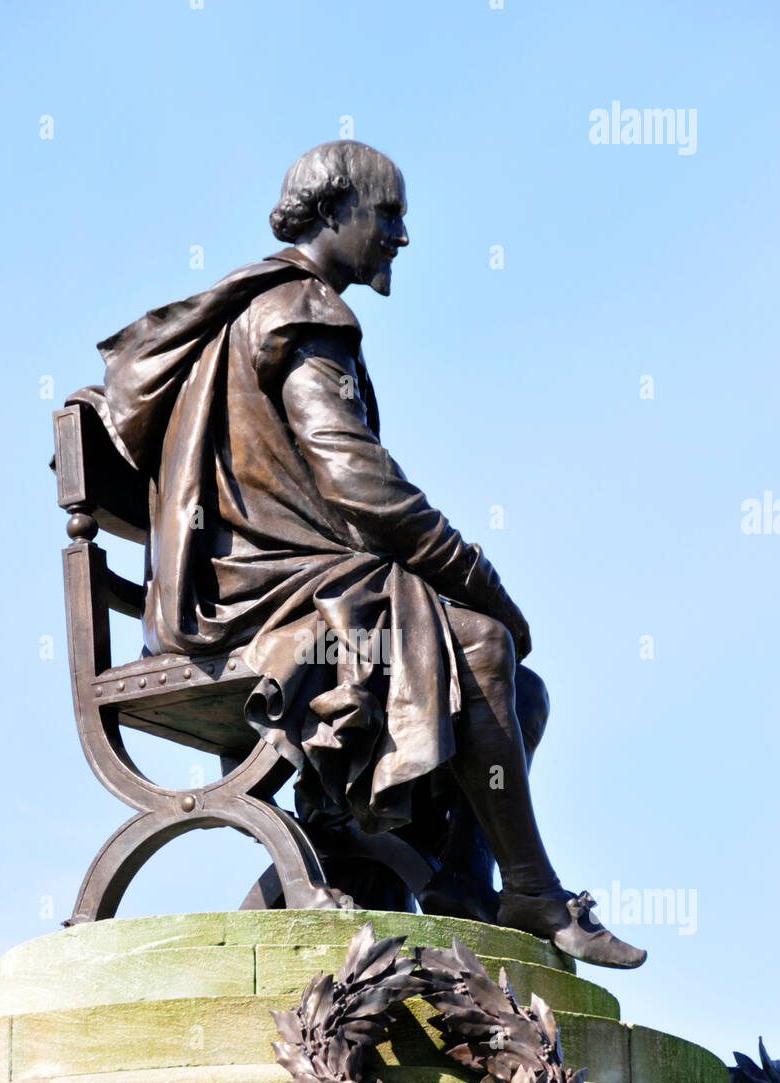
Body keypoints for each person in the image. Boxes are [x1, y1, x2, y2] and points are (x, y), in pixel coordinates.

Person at [76, 140, 645, 970]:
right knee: (483, 643)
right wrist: (480, 582)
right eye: (388, 214)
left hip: (262, 586)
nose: (401, 236)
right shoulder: (300, 311)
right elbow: (358, 484)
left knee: (518, 691)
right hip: (257, 599)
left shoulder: (259, 309)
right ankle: (534, 889)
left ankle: (462, 877)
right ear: (334, 209)